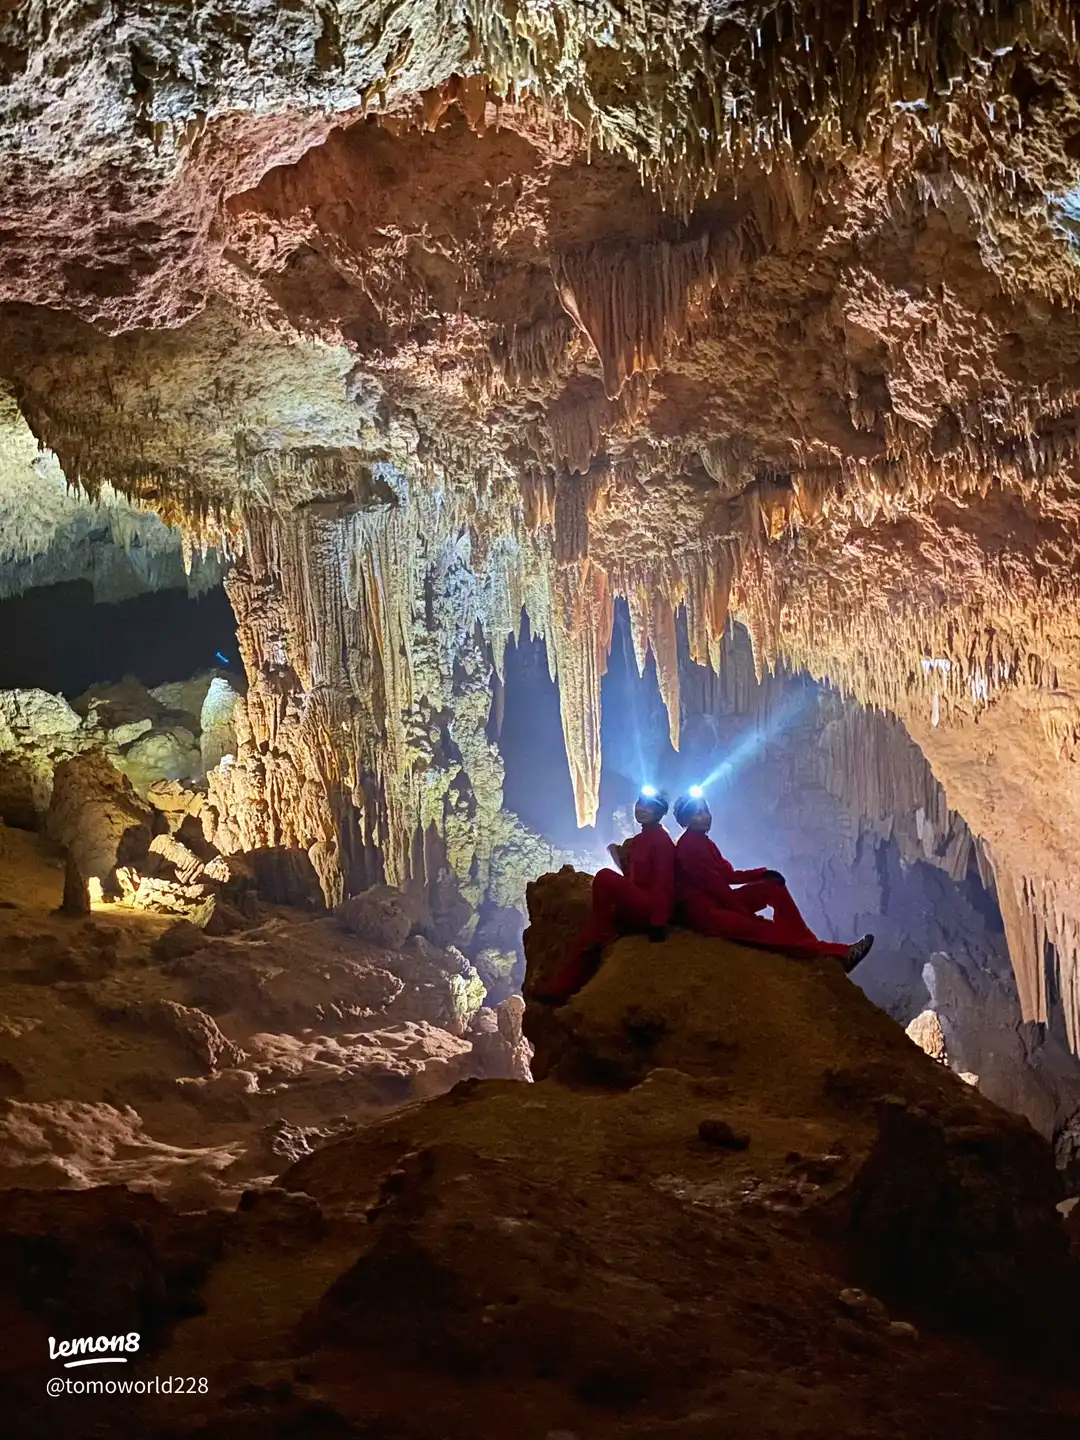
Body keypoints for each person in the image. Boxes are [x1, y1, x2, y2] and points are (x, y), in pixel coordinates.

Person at [672, 792, 874, 972]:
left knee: (773, 888)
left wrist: (763, 875)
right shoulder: (689, 847)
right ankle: (838, 953)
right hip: (706, 914)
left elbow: (728, 875)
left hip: (718, 902)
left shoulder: (705, 842)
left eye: (706, 811)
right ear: (686, 820)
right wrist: (744, 915)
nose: (706, 816)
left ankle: (807, 940)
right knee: (766, 931)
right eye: (698, 813)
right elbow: (717, 888)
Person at [540, 788, 676, 1004]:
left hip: (649, 908)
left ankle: (602, 931)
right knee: (587, 939)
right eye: (640, 803)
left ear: (660, 812)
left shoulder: (662, 842)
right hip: (637, 903)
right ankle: (559, 991)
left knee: (604, 877)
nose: (642, 809)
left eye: (649, 807)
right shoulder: (641, 839)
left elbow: (664, 884)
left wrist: (658, 923)